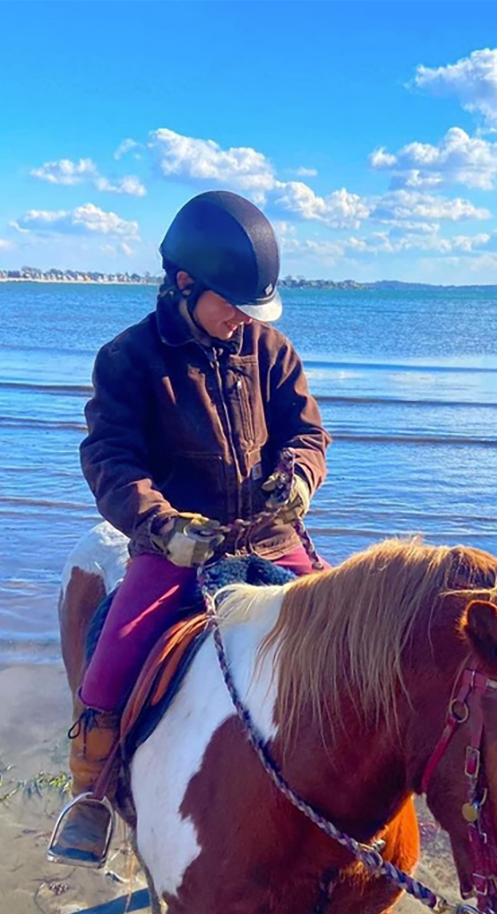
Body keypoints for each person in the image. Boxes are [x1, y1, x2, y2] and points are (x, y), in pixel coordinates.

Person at [48, 190, 330, 868]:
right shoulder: (127, 360)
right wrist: (161, 523)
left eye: (248, 307)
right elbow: (110, 460)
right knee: (112, 657)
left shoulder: (268, 348)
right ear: (183, 283)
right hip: (175, 550)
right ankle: (89, 793)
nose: (240, 318)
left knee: (343, 640)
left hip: (266, 538)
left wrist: (297, 476)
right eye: (230, 303)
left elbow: (307, 431)